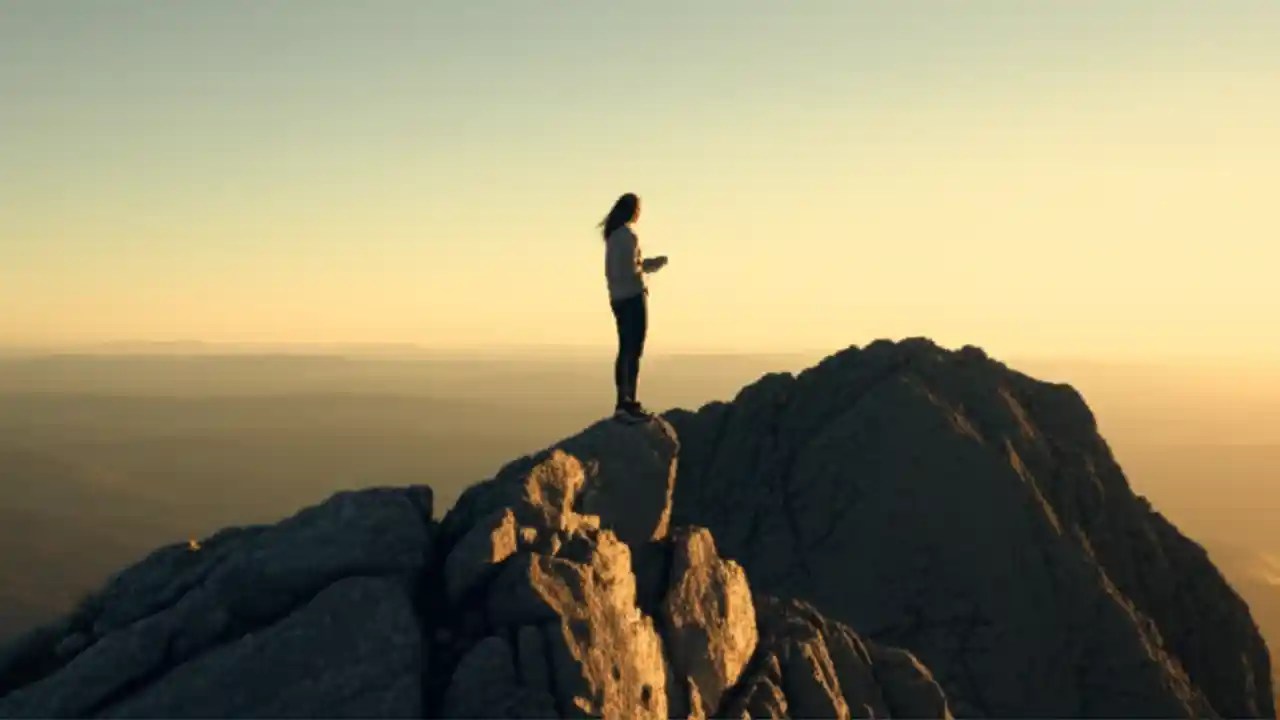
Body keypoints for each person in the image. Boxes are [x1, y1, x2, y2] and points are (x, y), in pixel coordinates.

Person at [600, 193, 667, 422]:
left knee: (624, 348)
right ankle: (628, 402)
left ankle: (623, 400)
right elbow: (631, 269)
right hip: (632, 297)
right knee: (633, 350)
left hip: (617, 298)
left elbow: (616, 269)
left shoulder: (611, 236)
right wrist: (650, 266)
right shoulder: (628, 235)